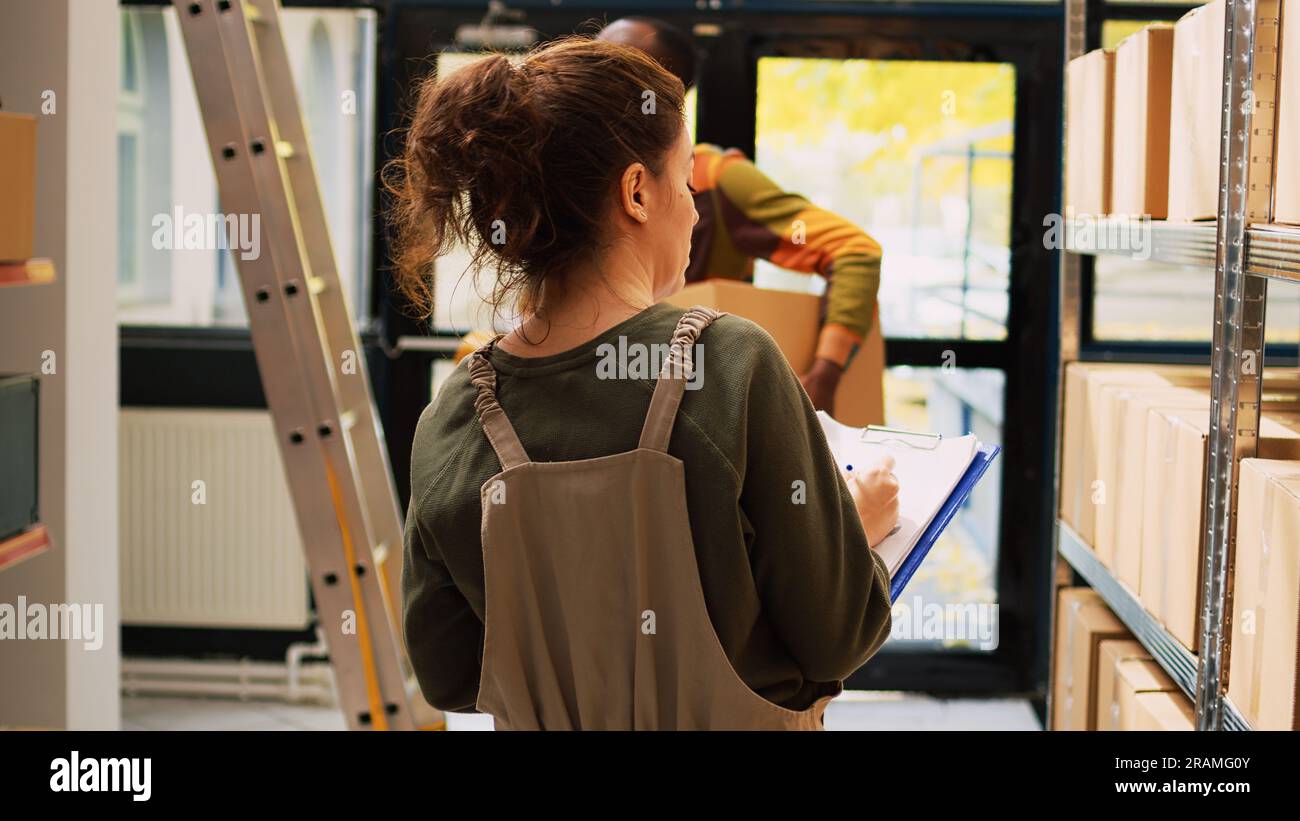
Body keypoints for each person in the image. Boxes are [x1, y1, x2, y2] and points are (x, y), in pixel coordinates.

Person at [391, 37, 897, 729]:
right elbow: (837, 634)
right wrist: (858, 538)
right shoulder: (730, 364)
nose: (692, 209)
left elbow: (448, 673)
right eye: (684, 180)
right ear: (636, 192)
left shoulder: (454, 414)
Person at [598, 17, 884, 415]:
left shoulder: (714, 177)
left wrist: (825, 373)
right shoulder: (576, 175)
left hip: (696, 409)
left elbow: (855, 251)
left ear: (666, 91)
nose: (595, 76)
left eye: (617, 67)